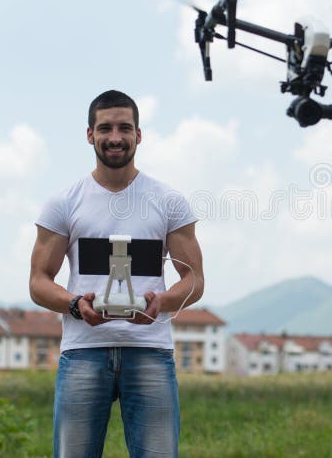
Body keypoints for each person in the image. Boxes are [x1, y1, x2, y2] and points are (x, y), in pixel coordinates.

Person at [29, 90, 204, 458]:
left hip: (150, 349)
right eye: (105, 128)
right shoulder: (64, 203)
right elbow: (39, 282)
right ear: (89, 134)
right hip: (83, 350)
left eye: (124, 128)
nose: (115, 137)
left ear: (138, 135)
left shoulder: (169, 201)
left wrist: (161, 302)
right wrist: (76, 304)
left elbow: (194, 280)